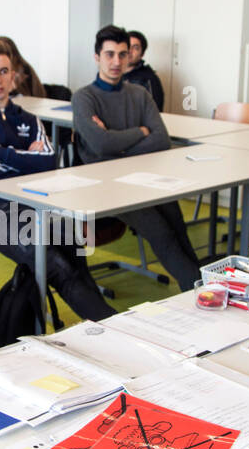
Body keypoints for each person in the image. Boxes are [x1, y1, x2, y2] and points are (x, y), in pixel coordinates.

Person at [0, 40, 116, 323]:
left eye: (3, 71)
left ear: (13, 75)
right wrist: (27, 158)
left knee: (77, 253)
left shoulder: (29, 118)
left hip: (42, 205)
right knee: (57, 267)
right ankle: (117, 328)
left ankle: (106, 326)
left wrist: (1, 153)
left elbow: (49, 163)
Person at [72, 24, 201, 292]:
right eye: (109, 54)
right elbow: (99, 143)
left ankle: (200, 283)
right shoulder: (84, 98)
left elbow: (161, 139)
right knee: (161, 232)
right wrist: (140, 132)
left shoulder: (139, 93)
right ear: (97, 57)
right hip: (107, 184)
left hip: (145, 177)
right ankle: (201, 291)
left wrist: (117, 146)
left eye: (122, 54)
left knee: (177, 224)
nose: (116, 62)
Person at [123, 29, 165, 111]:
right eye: (127, 46)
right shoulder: (113, 74)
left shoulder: (150, 79)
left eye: (135, 48)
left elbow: (155, 113)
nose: (129, 51)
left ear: (142, 54)